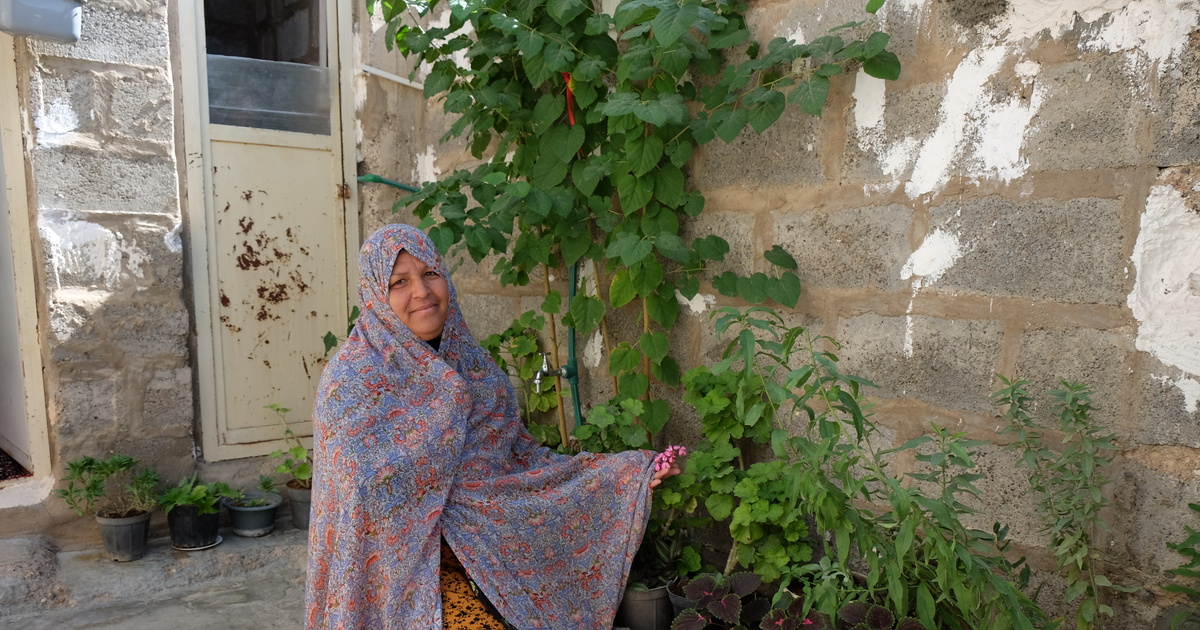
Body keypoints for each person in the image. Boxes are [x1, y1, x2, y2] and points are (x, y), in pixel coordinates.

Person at [305, 223, 680, 630]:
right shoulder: (350, 384)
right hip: (403, 583)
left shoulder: (475, 368)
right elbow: (361, 500)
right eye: (399, 282)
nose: (422, 292)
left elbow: (524, 461)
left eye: (430, 273)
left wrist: (620, 477)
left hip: (490, 556)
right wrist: (438, 448)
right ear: (375, 296)